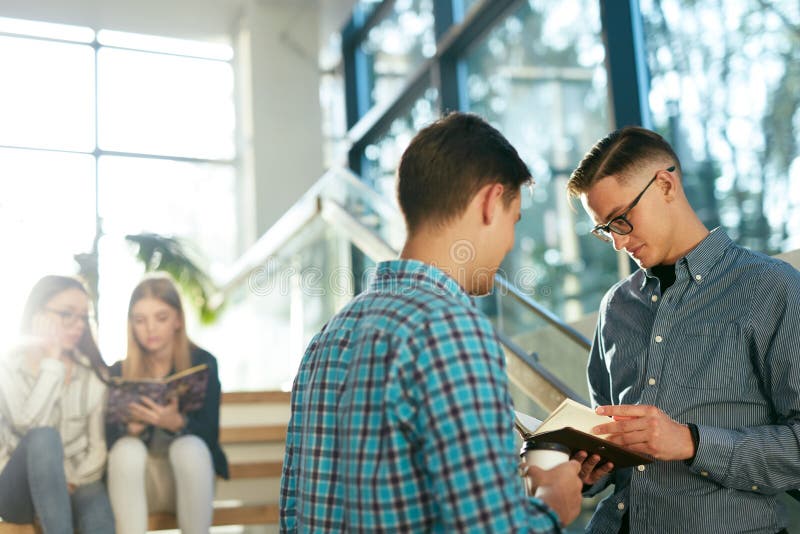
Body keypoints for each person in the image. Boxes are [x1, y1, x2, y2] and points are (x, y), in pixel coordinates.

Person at [279, 112, 583, 532]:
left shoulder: (328, 338)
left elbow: (296, 514)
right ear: (491, 202)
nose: (510, 243)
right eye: (513, 222)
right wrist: (553, 504)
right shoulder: (452, 329)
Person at [566, 125, 800, 534]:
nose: (618, 244)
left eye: (621, 220)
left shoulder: (771, 288)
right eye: (605, 230)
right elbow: (607, 441)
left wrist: (692, 442)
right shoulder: (616, 308)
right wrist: (590, 469)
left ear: (666, 185)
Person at [105, 274, 228, 534]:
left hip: (188, 481)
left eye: (160, 318)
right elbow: (105, 441)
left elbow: (210, 435)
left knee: (190, 447)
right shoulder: (117, 371)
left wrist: (177, 423)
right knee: (126, 449)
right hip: (137, 485)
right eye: (140, 320)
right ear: (131, 325)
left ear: (178, 320)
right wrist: (131, 430)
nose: (150, 329)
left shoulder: (203, 363)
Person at [0, 275, 115, 533]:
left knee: (98, 519)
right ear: (38, 315)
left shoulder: (92, 374)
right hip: (17, 487)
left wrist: (69, 480)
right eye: (67, 314)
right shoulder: (7, 366)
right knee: (44, 437)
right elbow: (28, 426)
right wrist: (51, 363)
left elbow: (97, 448)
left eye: (83, 317)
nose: (78, 326)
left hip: (78, 480)